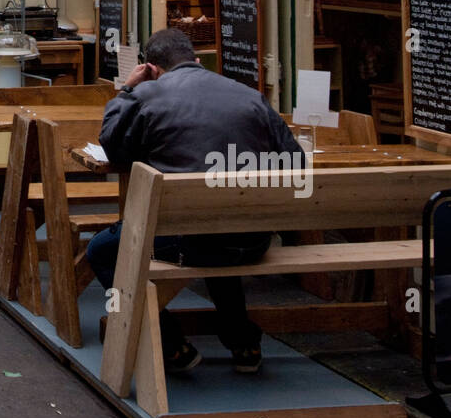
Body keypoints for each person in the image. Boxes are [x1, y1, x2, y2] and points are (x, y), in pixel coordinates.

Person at [87, 26, 303, 375]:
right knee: (219, 223)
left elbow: (113, 145)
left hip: (189, 243)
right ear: (197, 61)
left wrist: (127, 88)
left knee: (102, 250)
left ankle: (173, 347)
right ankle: (243, 343)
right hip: (251, 239)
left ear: (152, 69)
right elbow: (295, 161)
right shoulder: (250, 96)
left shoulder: (147, 96)